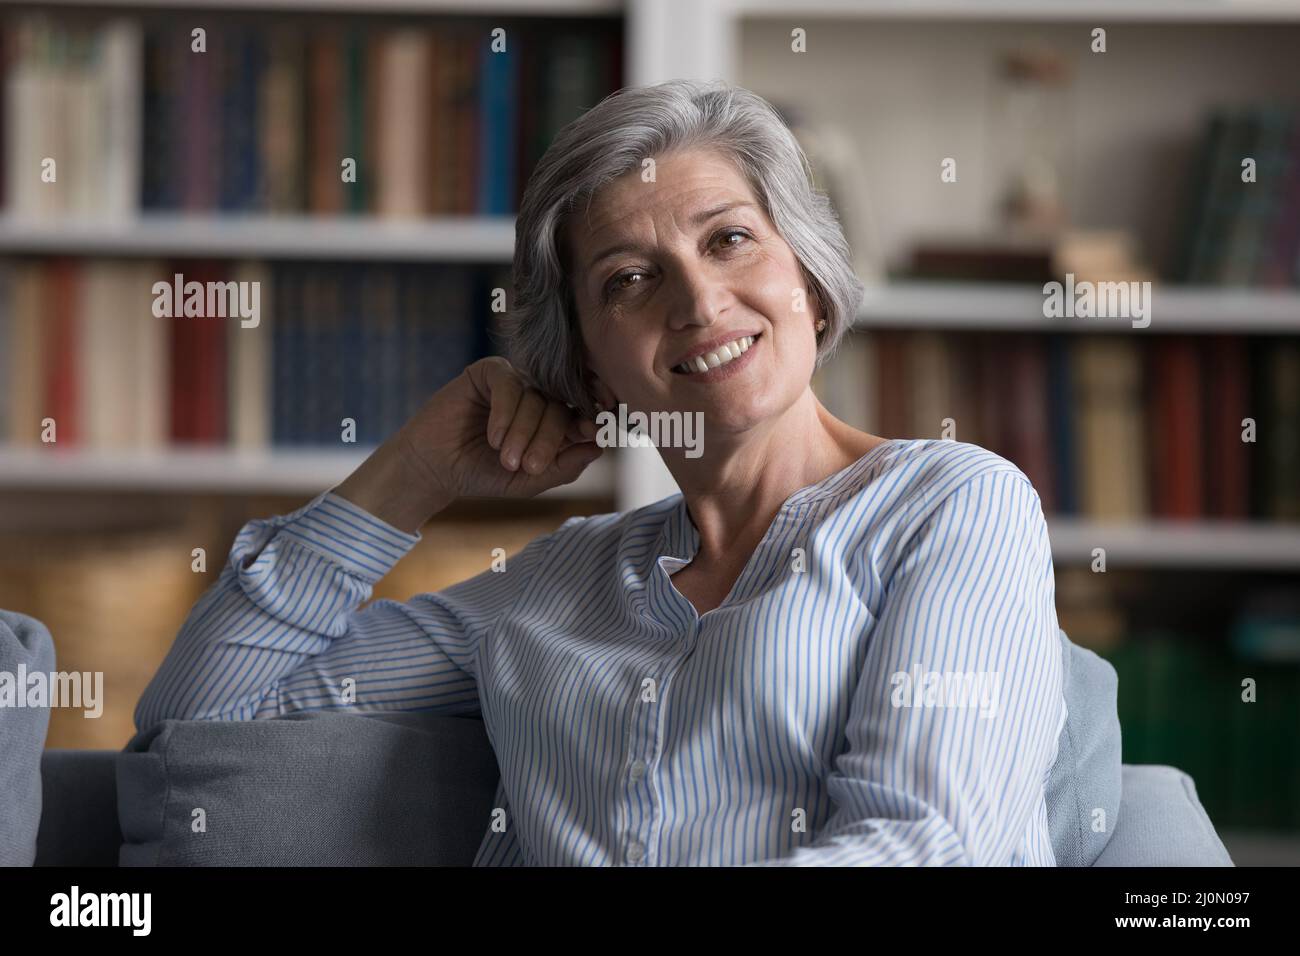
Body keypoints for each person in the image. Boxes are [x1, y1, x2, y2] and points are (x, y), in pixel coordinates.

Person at [136, 78, 1065, 866]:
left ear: (808, 281)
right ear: (584, 365)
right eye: (630, 279)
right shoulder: (551, 585)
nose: (700, 301)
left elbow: (925, 846)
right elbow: (199, 718)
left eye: (730, 239)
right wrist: (412, 471)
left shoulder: (952, 505)